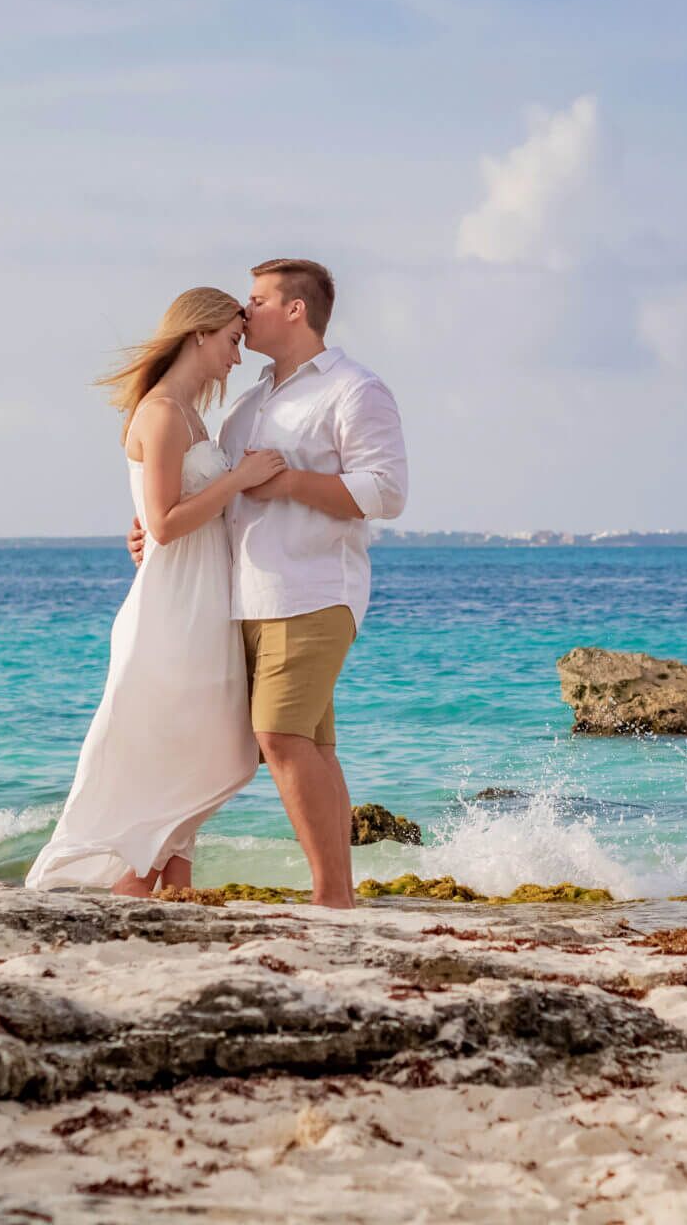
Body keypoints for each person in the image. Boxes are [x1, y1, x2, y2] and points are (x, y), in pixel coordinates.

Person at [127, 259, 408, 908]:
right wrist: (149, 527)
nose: (245, 310)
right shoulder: (248, 404)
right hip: (240, 595)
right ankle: (339, 898)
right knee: (311, 744)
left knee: (279, 738)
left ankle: (330, 899)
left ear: (295, 310)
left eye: (257, 300)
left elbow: (387, 491)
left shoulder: (353, 389)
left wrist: (286, 483)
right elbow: (211, 494)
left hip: (311, 588)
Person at [26, 288, 286, 897]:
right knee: (195, 749)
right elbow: (165, 524)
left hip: (203, 601)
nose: (237, 357)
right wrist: (240, 479)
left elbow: (162, 515)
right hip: (174, 607)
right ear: (199, 333)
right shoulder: (164, 412)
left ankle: (175, 892)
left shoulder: (190, 414)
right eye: (232, 341)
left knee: (195, 750)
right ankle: (139, 888)